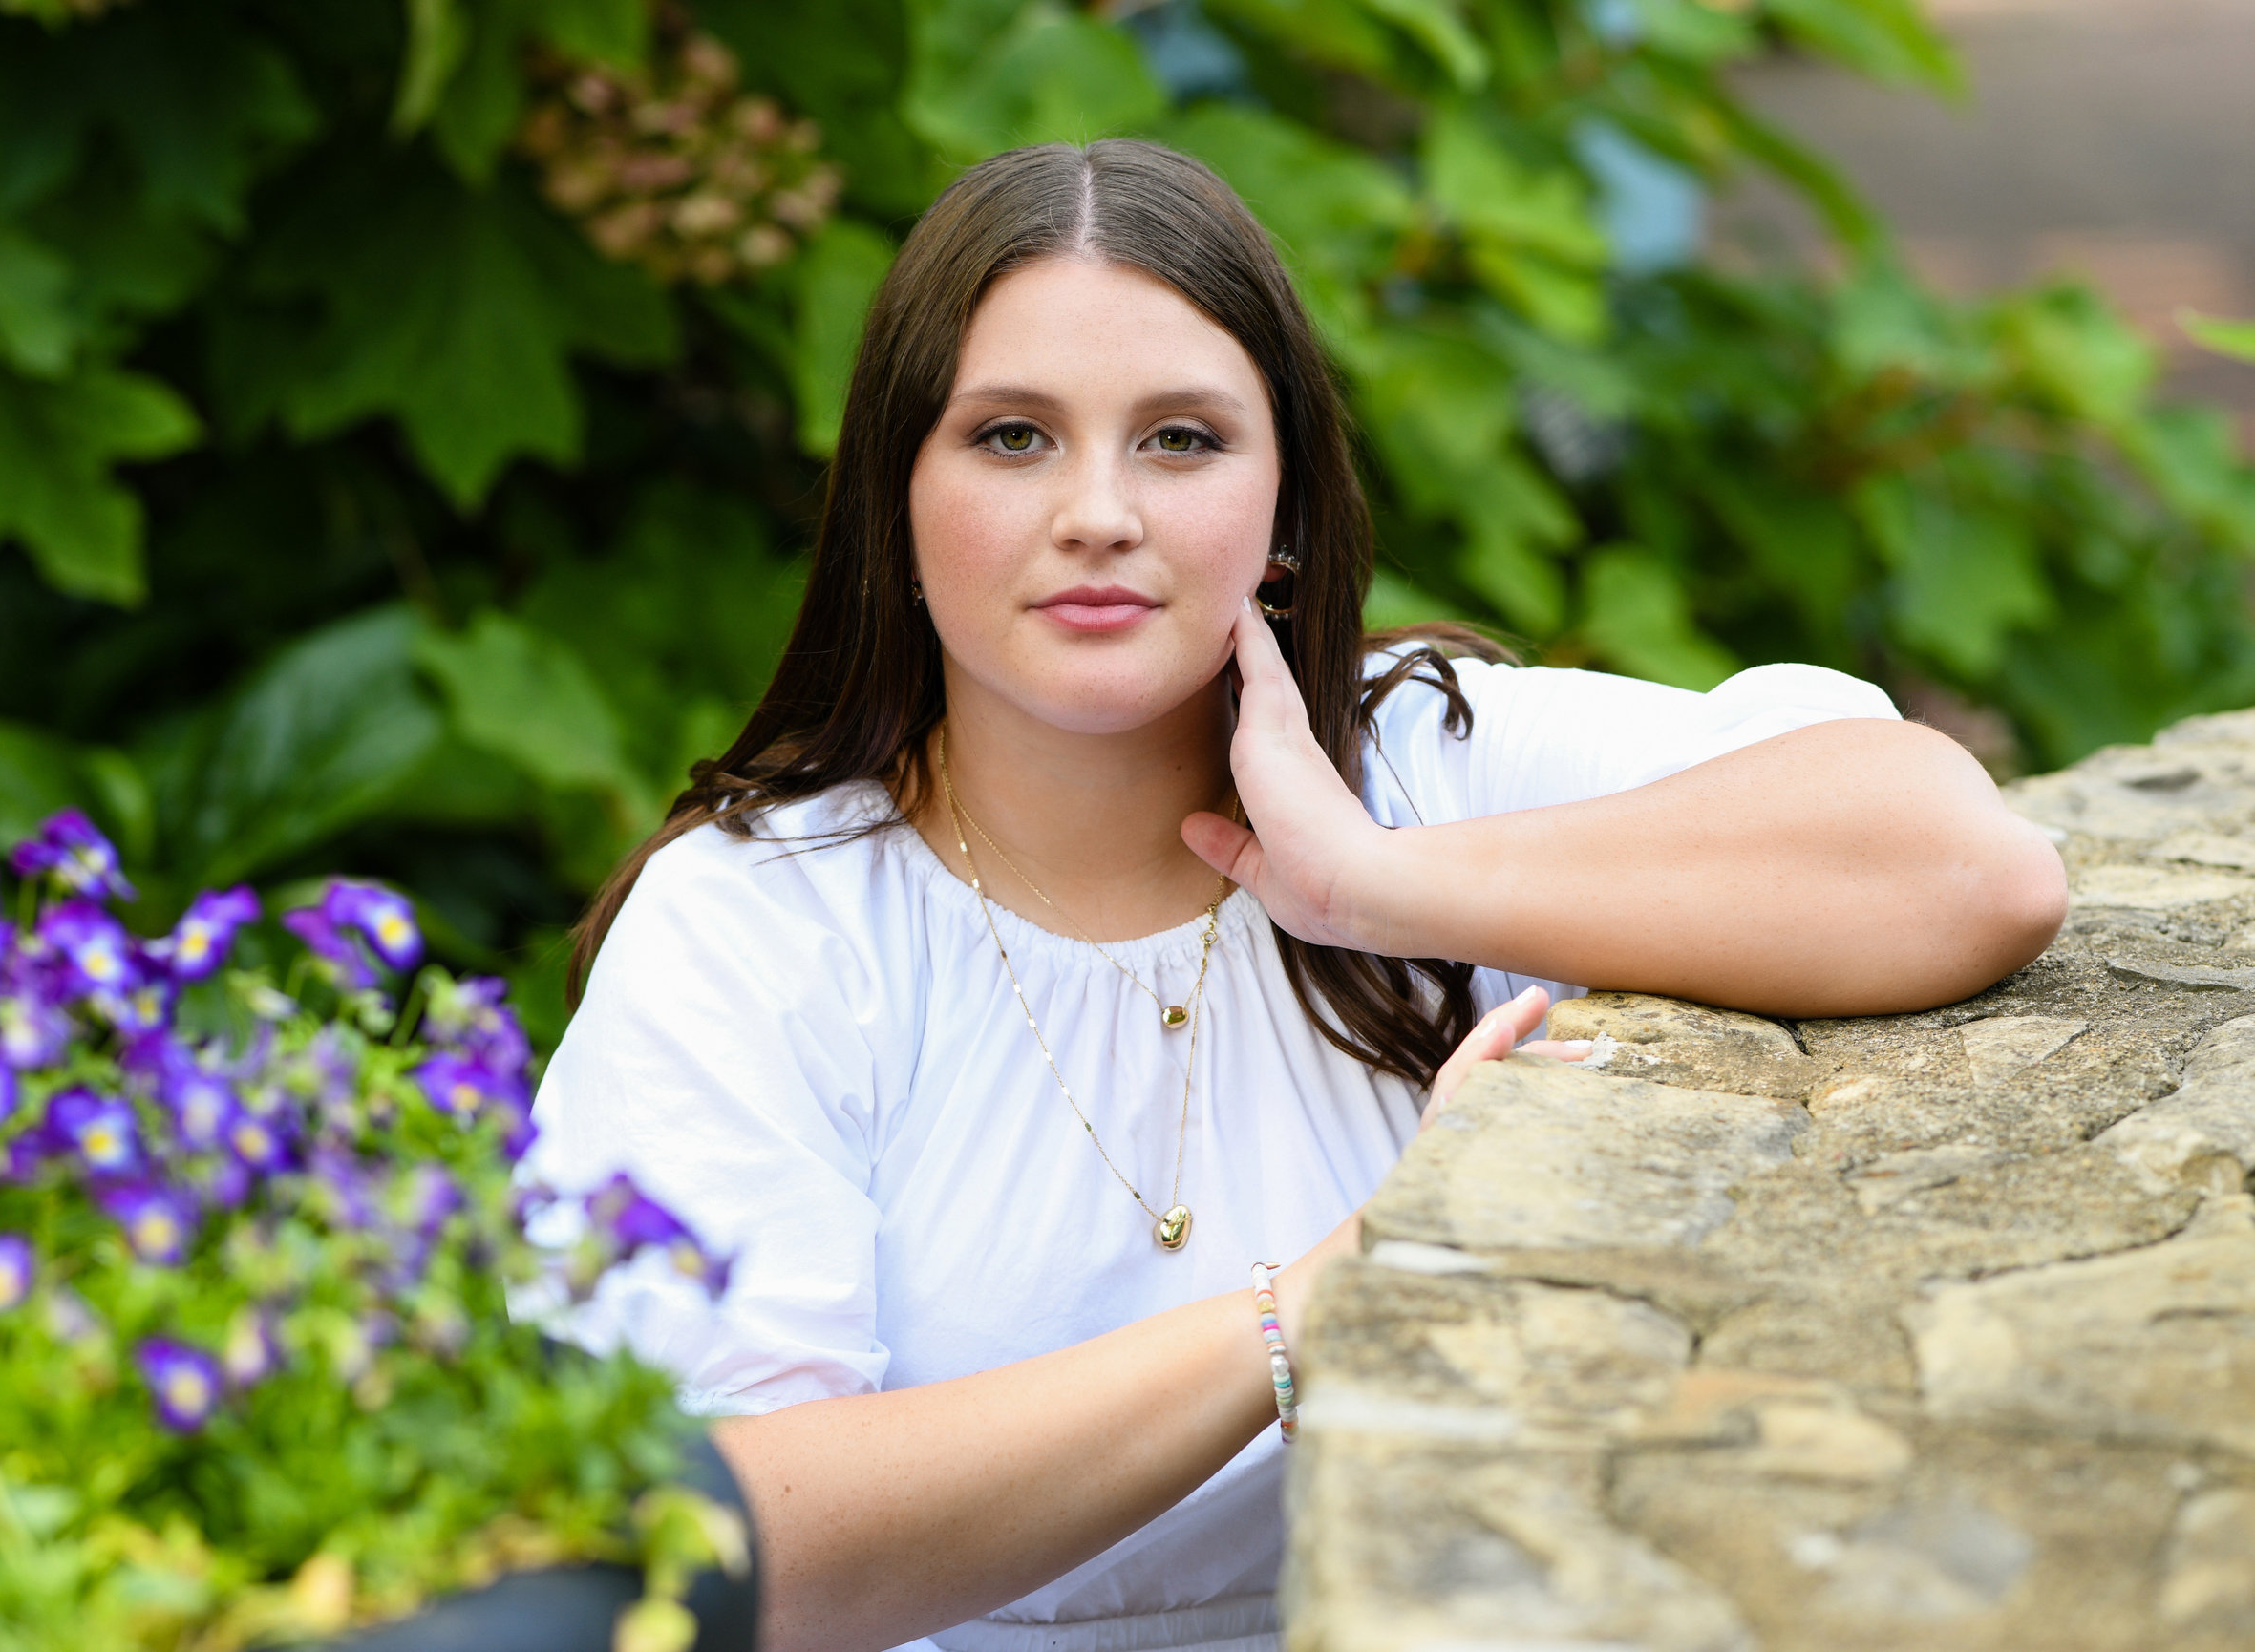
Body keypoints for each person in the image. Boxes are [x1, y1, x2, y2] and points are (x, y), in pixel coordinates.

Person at [527, 139, 2066, 1652]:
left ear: (1284, 518)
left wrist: (1373, 878)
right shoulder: (762, 926)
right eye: (1011, 436)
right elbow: (719, 1552)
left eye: (1181, 438)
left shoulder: (1424, 768)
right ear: (896, 504)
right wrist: (1322, 1297)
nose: (1099, 513)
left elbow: (1964, 866)